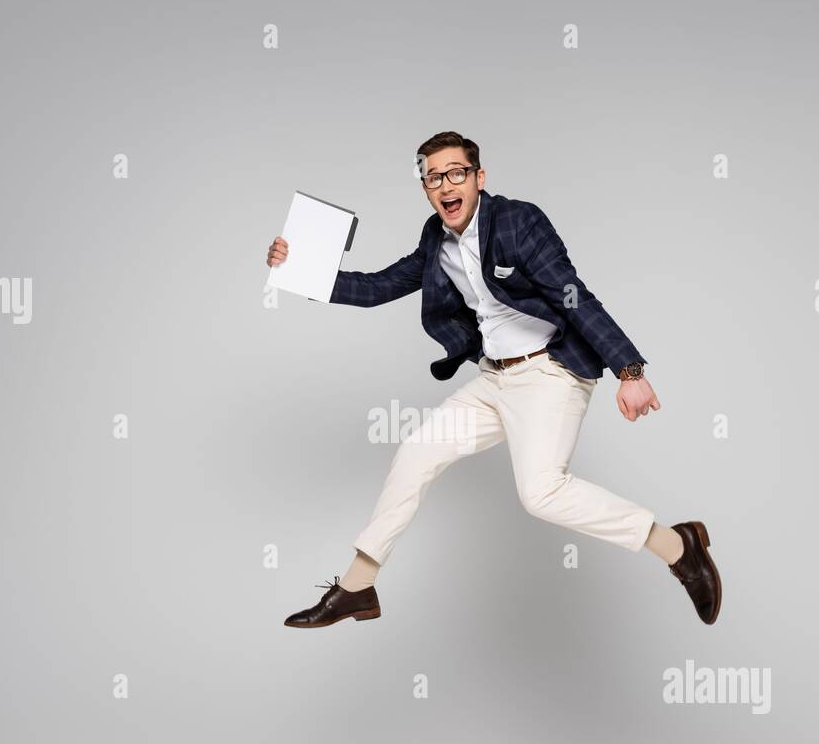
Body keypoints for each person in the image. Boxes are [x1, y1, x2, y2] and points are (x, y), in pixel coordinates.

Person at [267, 131, 721, 628]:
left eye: (456, 172)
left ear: (479, 178)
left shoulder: (518, 221)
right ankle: (358, 587)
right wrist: (300, 271)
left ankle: (678, 546)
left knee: (541, 493)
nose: (445, 184)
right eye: (433, 177)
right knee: (416, 452)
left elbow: (573, 294)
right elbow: (378, 286)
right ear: (426, 188)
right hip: (493, 380)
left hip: (549, 372)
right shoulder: (433, 238)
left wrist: (629, 371)